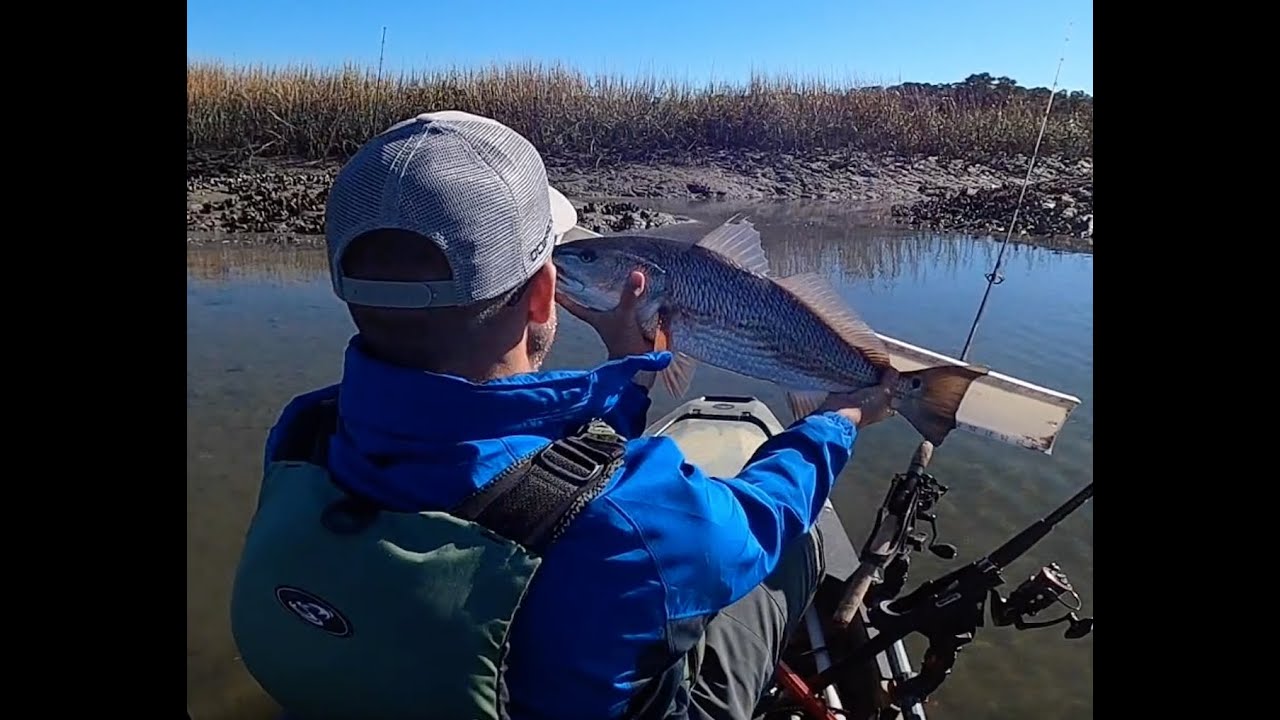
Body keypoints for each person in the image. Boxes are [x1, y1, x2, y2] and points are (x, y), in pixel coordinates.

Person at [229, 110, 894, 720]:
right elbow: (756, 523)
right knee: (796, 544)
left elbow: (536, 480)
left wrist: (627, 374)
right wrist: (836, 423)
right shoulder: (637, 516)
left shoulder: (306, 432)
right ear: (545, 294)